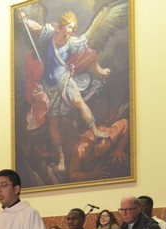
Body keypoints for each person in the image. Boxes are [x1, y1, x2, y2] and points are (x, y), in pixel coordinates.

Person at [19, 10, 113, 172]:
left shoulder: (73, 42)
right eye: (70, 27)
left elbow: (88, 58)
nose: (72, 30)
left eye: (74, 27)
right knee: (53, 122)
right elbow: (36, 28)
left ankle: (95, 131)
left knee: (79, 102)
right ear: (61, 26)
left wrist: (101, 70)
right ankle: (61, 159)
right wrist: (25, 19)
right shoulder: (50, 34)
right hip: (48, 86)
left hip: (64, 80)